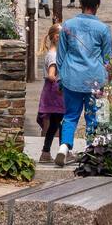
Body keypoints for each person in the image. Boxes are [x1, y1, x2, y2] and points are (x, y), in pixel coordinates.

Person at [55, 0, 112, 166]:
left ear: (80, 1)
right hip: (94, 80)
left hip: (71, 76)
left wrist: (60, 79)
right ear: (98, 3)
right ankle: (91, 151)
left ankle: (64, 147)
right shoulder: (103, 29)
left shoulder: (68, 26)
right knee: (93, 117)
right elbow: (108, 59)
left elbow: (61, 56)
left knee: (70, 115)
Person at [36, 21, 65, 163]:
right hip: (55, 92)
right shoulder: (54, 56)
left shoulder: (52, 53)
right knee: (59, 122)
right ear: (55, 37)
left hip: (51, 91)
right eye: (62, 35)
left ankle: (47, 152)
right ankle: (62, 150)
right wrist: (61, 82)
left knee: (56, 123)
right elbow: (51, 74)